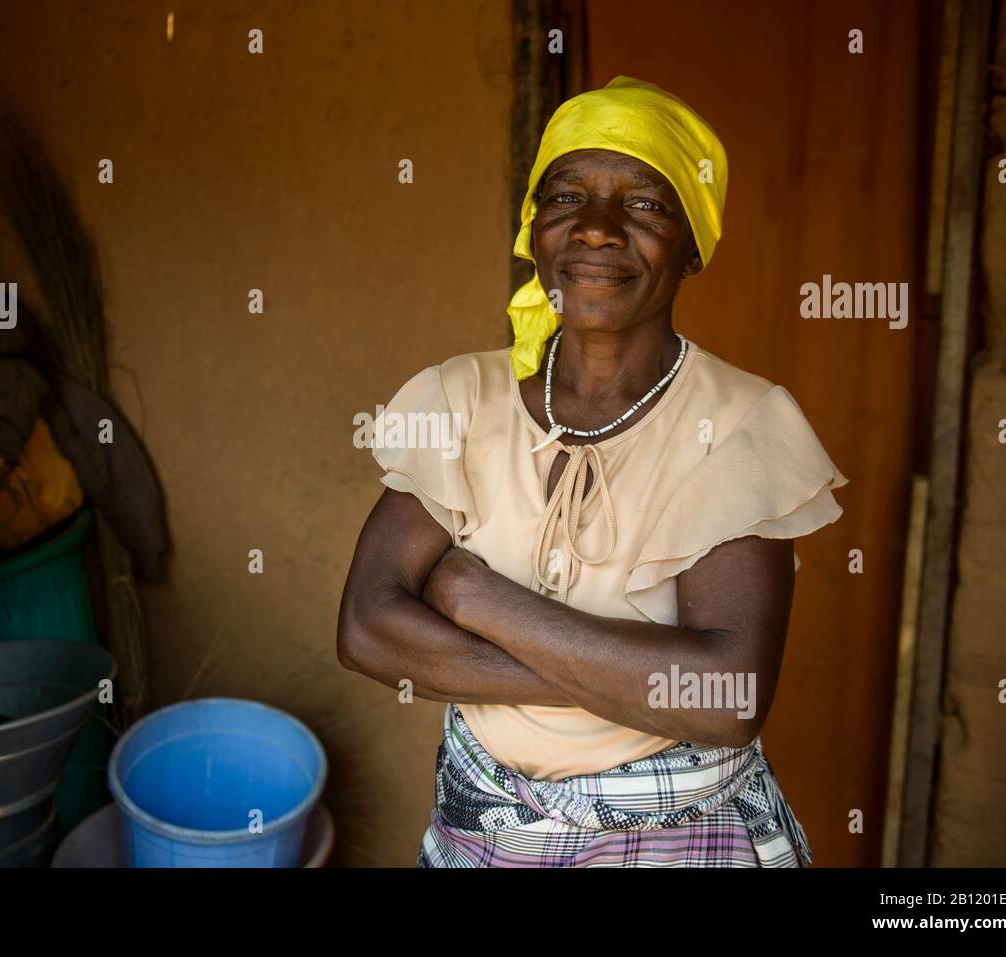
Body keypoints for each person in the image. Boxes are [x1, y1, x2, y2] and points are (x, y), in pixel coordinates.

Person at [337, 76, 847, 867]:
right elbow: (367, 627)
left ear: (692, 245)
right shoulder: (461, 400)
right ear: (535, 230)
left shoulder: (742, 426)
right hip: (485, 835)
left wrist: (480, 600)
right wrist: (626, 676)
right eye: (568, 197)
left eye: (645, 204)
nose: (599, 230)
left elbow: (727, 695)